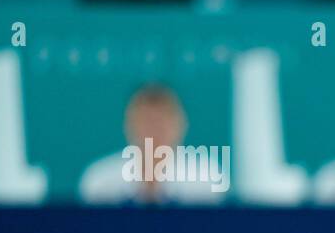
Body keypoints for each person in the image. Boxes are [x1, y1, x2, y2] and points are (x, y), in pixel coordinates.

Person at [79, 84, 226, 204]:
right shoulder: (100, 181)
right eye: (145, 120)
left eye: (162, 121)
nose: (154, 129)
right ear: (128, 125)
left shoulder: (207, 178)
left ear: (182, 125)